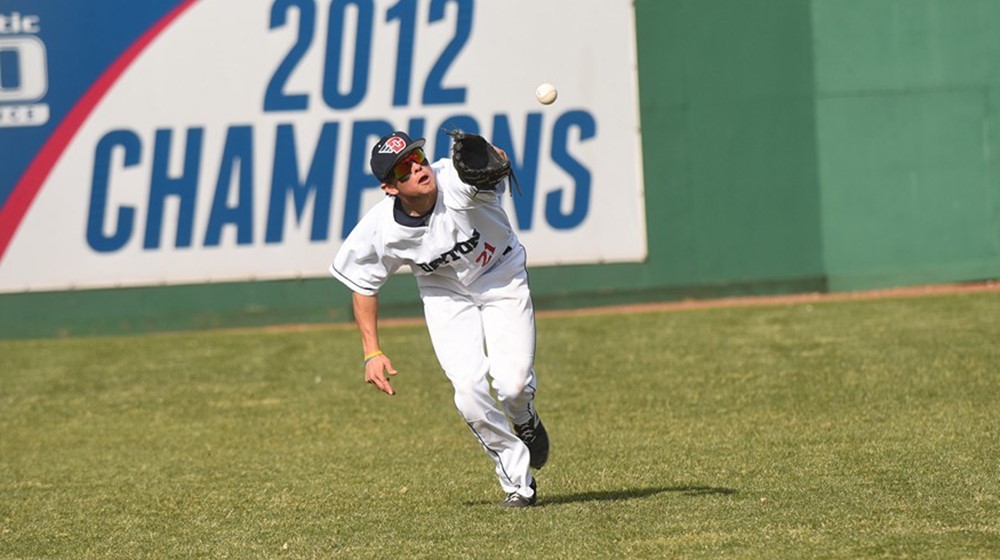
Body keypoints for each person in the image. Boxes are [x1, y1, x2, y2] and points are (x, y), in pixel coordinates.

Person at [329, 131, 550, 508]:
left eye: (418, 156)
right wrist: (372, 352)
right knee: (468, 392)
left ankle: (523, 416)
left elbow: (487, 170)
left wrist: (494, 160)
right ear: (390, 188)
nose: (417, 167)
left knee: (512, 387)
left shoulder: (455, 181)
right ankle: (517, 483)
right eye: (404, 168)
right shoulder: (381, 229)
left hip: (501, 275)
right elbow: (363, 284)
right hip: (444, 292)